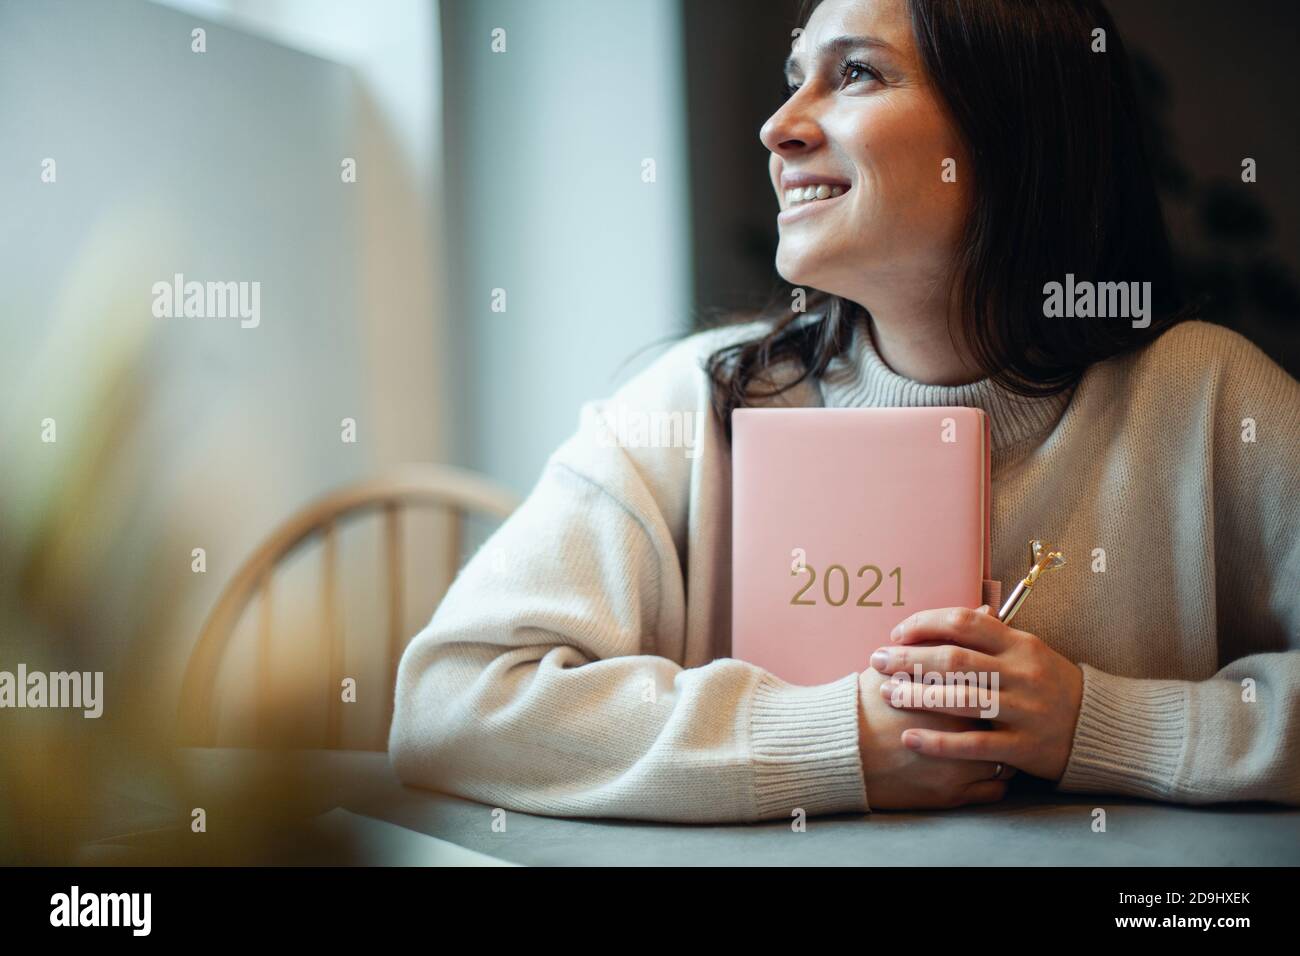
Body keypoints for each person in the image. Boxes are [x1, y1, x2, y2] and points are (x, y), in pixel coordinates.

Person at [389, 0, 1300, 821]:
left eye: (856, 73)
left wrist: (1096, 724)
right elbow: (450, 701)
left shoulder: (1209, 399)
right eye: (795, 81)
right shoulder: (699, 402)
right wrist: (835, 742)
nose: (778, 127)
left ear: (1015, 127)